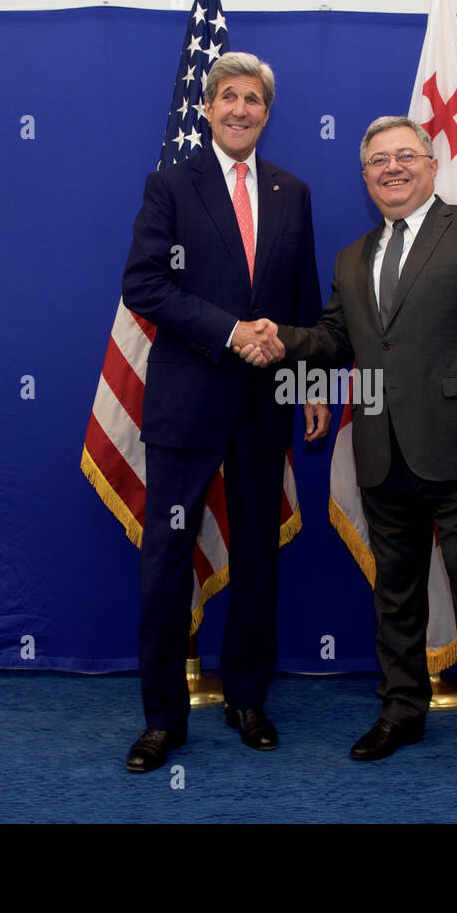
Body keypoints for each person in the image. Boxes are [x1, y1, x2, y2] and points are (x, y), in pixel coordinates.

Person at [239, 116, 457, 784]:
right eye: (378, 161)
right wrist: (280, 336)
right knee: (395, 595)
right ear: (365, 176)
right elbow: (337, 340)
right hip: (381, 452)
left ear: (432, 166)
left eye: (406, 156)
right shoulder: (352, 257)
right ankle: (401, 711)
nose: (392, 168)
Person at [120, 52, 329, 773]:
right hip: (188, 401)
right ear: (207, 108)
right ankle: (160, 718)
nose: (240, 109)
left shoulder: (293, 192)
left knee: (258, 561)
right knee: (166, 563)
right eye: (228, 97)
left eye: (254, 100)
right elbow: (144, 286)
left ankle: (248, 700)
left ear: (268, 113)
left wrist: (308, 382)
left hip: (265, 407)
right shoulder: (170, 187)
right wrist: (229, 332)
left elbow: (303, 302)